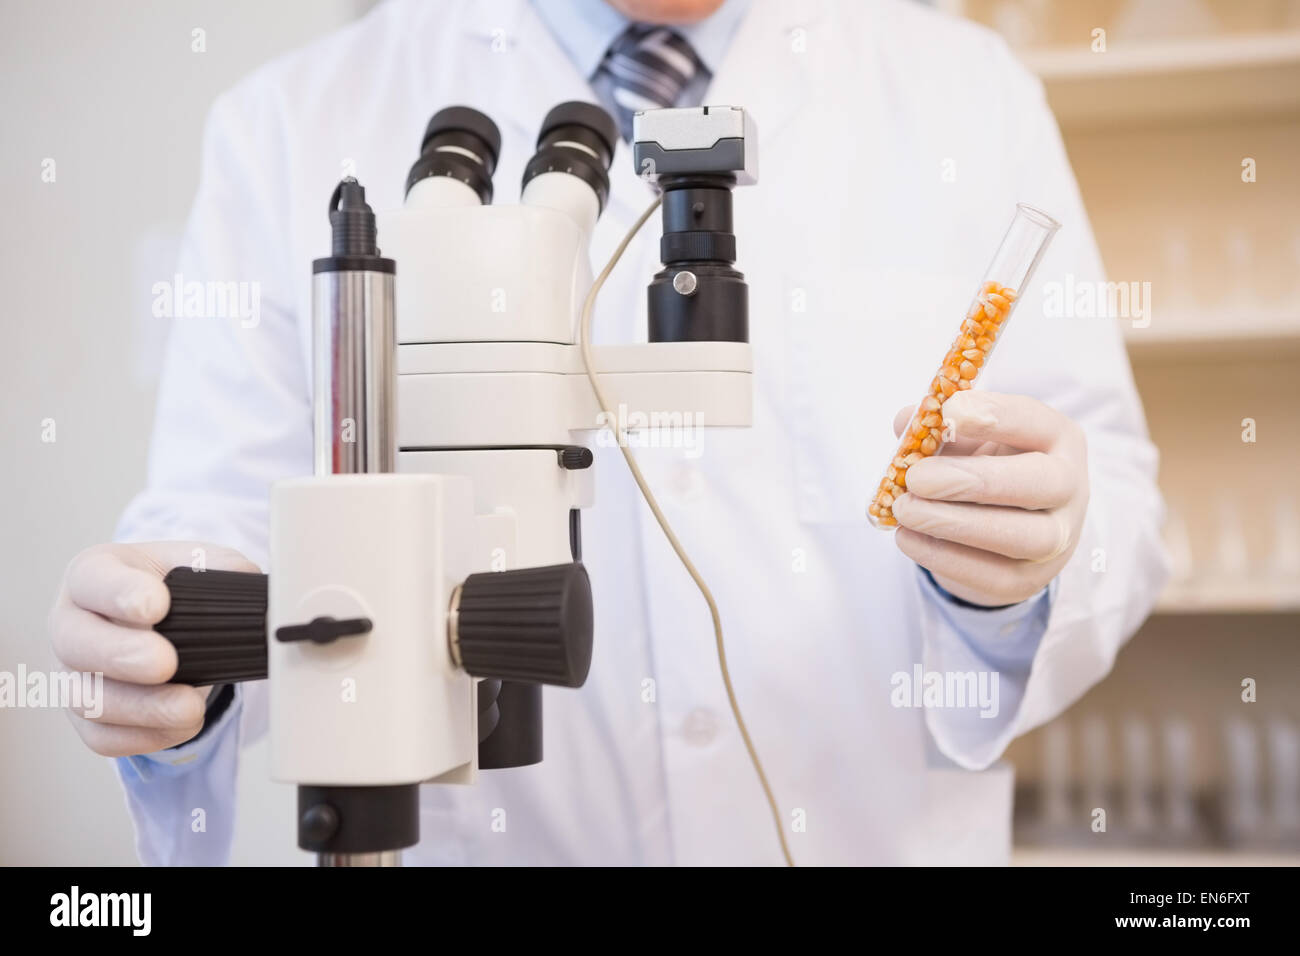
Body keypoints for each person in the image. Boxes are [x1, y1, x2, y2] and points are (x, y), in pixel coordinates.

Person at [48, 0, 1168, 865]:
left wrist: (1023, 571)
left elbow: (1111, 491)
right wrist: (167, 652)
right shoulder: (290, 121)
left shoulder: (967, 92)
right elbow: (225, 531)